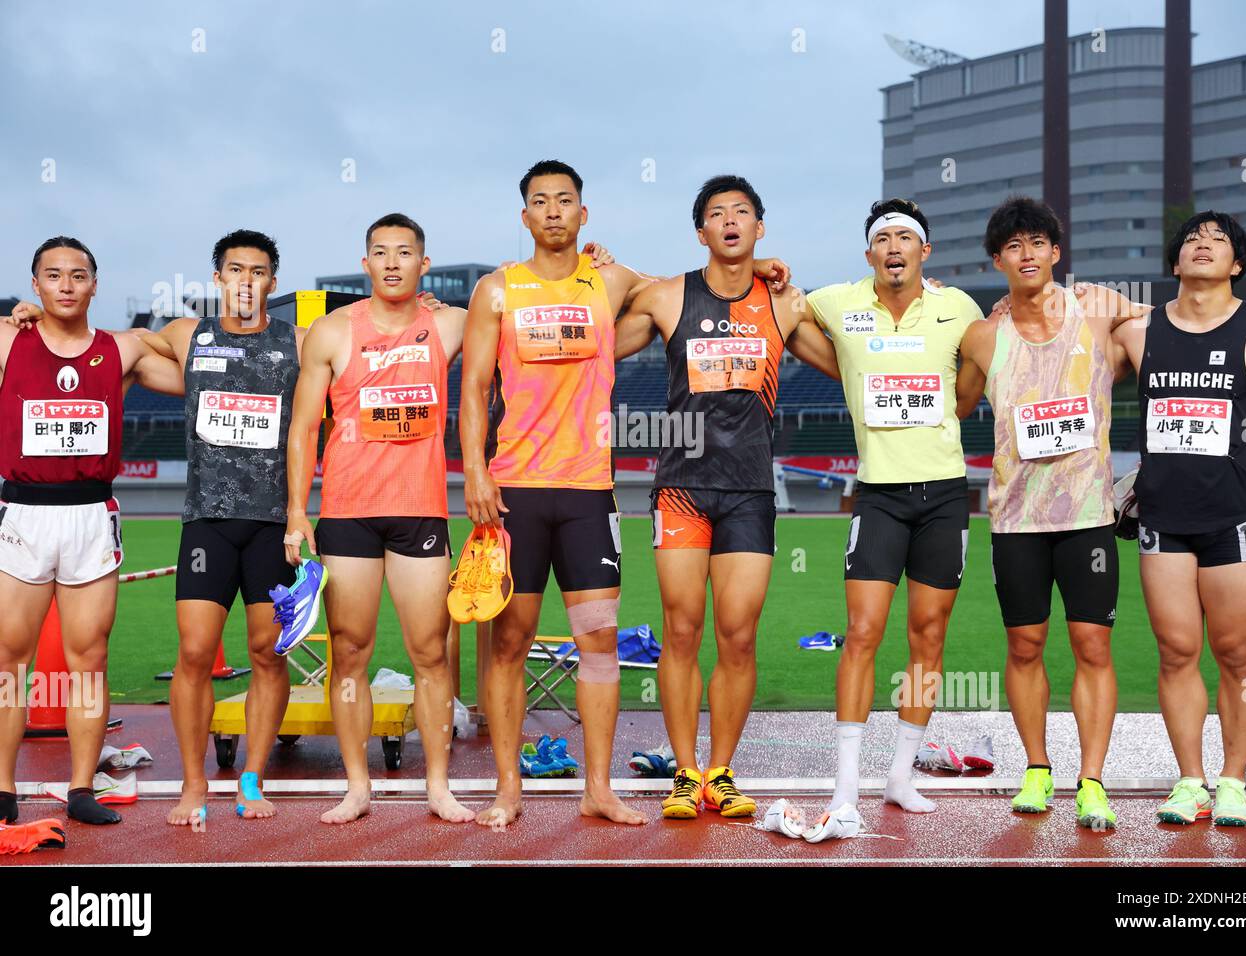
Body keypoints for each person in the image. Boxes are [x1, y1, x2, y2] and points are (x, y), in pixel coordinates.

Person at [460, 159, 790, 827]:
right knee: (508, 641)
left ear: (585, 215)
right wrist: (474, 471)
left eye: (566, 201)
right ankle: (505, 789)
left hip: (589, 492)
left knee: (599, 641)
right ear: (524, 217)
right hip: (515, 490)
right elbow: (473, 390)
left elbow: (699, 289)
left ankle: (599, 789)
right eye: (539, 202)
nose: (553, 211)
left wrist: (765, 268)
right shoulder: (497, 290)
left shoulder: (611, 280)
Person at [614, 174, 839, 821]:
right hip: (681, 489)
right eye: (718, 213)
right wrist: (606, 267)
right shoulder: (667, 296)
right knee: (681, 632)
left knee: (738, 636)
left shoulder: (784, 304)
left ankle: (722, 772)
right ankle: (685, 774)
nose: (731, 220)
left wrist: (795, 291)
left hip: (748, 490)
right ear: (701, 232)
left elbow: (846, 359)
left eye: (742, 212)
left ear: (760, 228)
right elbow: (601, 333)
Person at [955, 197, 1148, 828]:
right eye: (1014, 246)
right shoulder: (984, 335)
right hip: (1016, 518)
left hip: (1089, 512)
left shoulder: (1093, 311)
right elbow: (955, 406)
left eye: (1038, 243)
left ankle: (1091, 780)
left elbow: (1172, 323)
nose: (1027, 254)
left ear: (1056, 253)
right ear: (998, 260)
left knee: (1093, 644)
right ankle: (1037, 769)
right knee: (1026, 642)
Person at [1111, 211, 1246, 827]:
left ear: (1236, 265)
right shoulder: (1138, 332)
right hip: (1162, 520)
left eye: (1218, 240)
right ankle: (1190, 780)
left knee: (1237, 651)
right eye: (1193, 238)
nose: (1202, 243)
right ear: (1175, 263)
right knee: (1176, 650)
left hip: (1235, 518)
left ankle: (1234, 780)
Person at [802, 199, 984, 837]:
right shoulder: (835, 302)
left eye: (907, 237)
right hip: (878, 494)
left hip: (944, 494)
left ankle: (901, 776)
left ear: (925, 251)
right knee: (861, 632)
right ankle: (846, 787)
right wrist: (846, 368)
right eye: (883, 238)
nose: (895, 246)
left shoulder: (958, 306)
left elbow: (978, 375)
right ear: (870, 253)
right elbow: (778, 315)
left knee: (928, 637)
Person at [285, 213, 471, 825]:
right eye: (380, 252)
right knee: (349, 650)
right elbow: (304, 428)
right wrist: (295, 512)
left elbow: (524, 306)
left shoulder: (449, 323)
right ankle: (357, 785)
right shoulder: (332, 332)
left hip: (420, 511)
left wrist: (600, 266)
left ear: (424, 263)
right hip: (347, 514)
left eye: (404, 253)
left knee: (429, 653)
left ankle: (438, 786)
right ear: (365, 263)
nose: (392, 262)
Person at [0, 236, 182, 825]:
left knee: (89, 659)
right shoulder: (8, 341)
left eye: (78, 275)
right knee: (8, 660)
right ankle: (3, 791)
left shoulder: (120, 350)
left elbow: (194, 373)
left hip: (90, 517)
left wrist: (168, 333)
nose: (67, 285)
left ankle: (81, 790)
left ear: (95, 285)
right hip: (23, 514)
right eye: (53, 276)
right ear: (36, 285)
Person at [134, 230, 303, 826]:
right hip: (206, 522)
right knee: (196, 653)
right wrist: (33, 317)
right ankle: (194, 782)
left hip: (273, 527)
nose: (246, 282)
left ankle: (252, 779)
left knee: (267, 654)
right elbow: (118, 348)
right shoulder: (188, 336)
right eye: (235, 270)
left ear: (272, 283)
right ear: (218, 278)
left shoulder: (297, 343)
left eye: (258, 272)